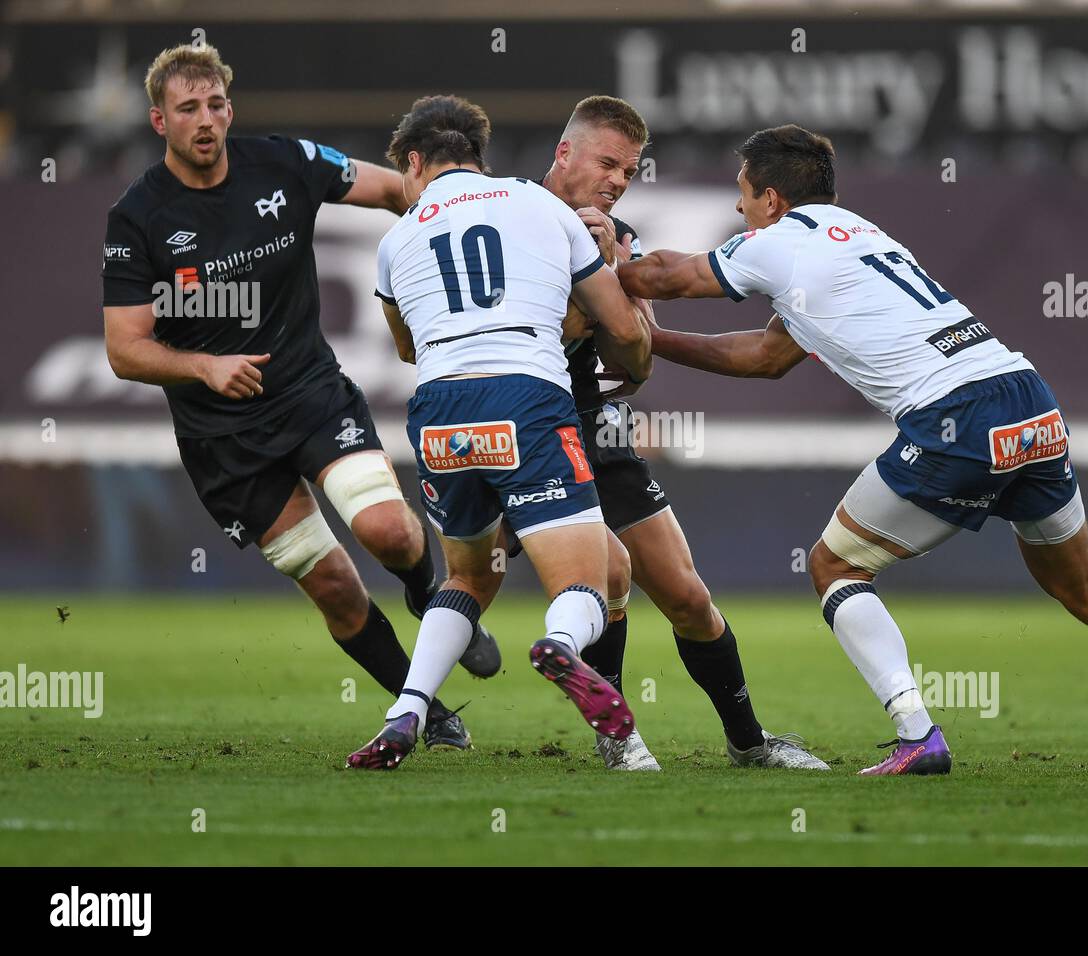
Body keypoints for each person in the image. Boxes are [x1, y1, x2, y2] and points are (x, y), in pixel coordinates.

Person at [618, 123, 1088, 776]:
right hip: (1028, 400)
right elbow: (767, 358)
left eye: (742, 195)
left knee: (836, 566)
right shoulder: (858, 237)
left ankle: (917, 733)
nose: (737, 209)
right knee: (1084, 585)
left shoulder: (776, 243)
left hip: (957, 416)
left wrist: (595, 280)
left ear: (771, 199)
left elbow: (666, 273)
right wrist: (652, 342)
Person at [101, 44, 499, 751]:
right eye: (188, 109)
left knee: (390, 533)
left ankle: (424, 593)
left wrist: (472, 219)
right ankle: (424, 707)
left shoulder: (285, 163)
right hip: (223, 437)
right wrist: (204, 367)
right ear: (159, 120)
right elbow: (124, 349)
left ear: (231, 108)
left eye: (216, 105)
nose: (206, 121)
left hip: (310, 392)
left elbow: (396, 192)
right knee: (337, 589)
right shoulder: (137, 217)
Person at [346, 95, 654, 770]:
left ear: (415, 163)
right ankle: (562, 647)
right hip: (528, 397)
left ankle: (406, 712)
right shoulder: (537, 204)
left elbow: (405, 347)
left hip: (439, 411)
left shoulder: (398, 237)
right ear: (478, 157)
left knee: (470, 575)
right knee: (593, 582)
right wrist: (635, 360)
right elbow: (626, 333)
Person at [536, 96, 827, 772]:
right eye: (607, 162)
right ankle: (422, 711)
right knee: (475, 579)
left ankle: (749, 743)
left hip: (595, 429)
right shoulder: (509, 216)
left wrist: (607, 271)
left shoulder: (617, 234)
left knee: (688, 596)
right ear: (564, 153)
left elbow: (632, 363)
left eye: (629, 171)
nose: (616, 180)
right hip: (522, 426)